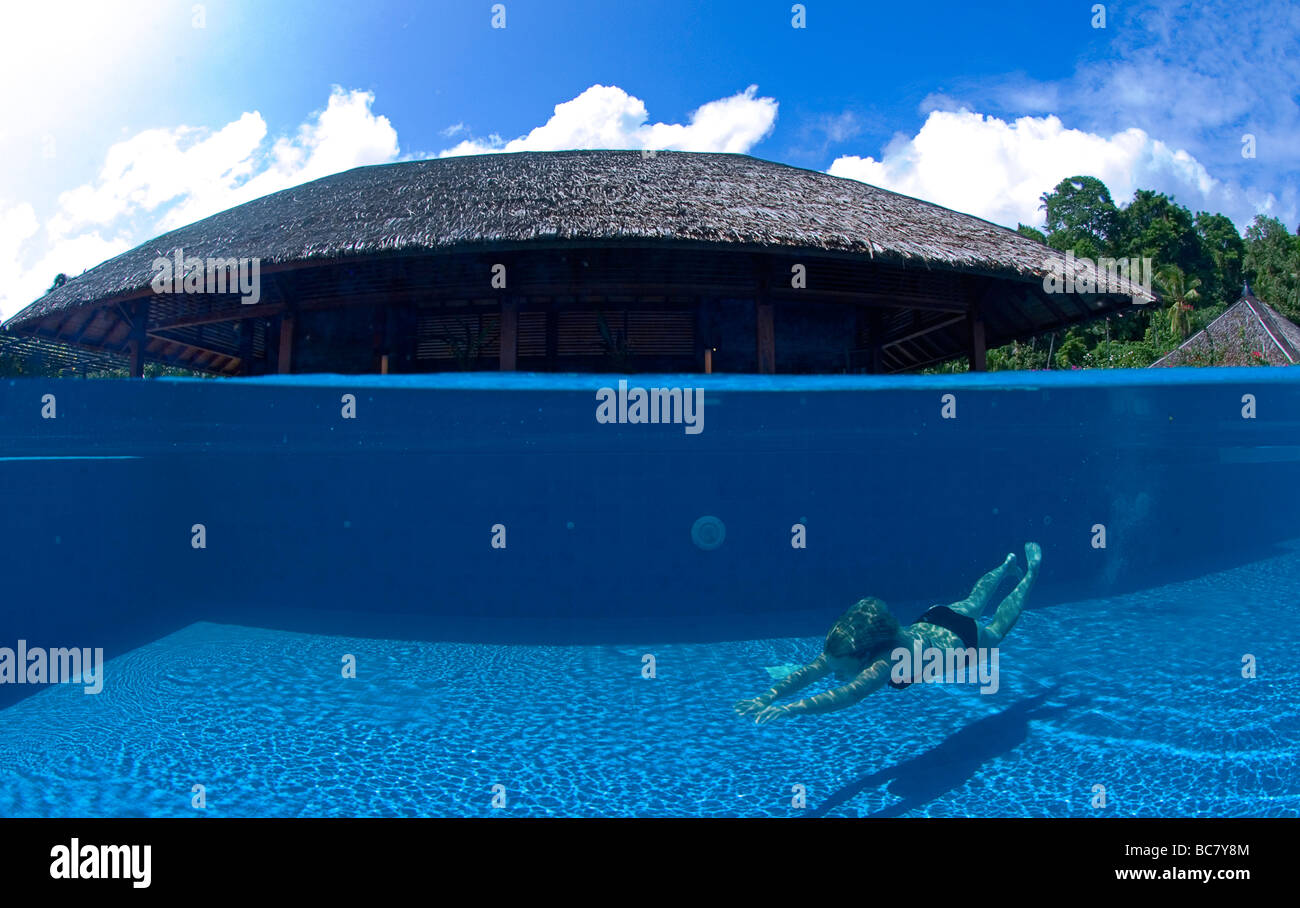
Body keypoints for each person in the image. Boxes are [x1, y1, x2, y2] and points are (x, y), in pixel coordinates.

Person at [734, 542, 1041, 724]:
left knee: (998, 629)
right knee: (974, 601)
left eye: (840, 669)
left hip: (961, 642)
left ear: (864, 654)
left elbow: (848, 695)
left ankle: (1031, 571)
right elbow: (809, 673)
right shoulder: (853, 645)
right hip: (934, 620)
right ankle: (1005, 565)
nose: (835, 674)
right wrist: (768, 696)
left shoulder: (888, 662)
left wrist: (788, 710)